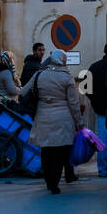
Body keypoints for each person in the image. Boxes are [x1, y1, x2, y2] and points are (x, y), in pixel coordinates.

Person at [22, 49, 85, 193]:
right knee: (61, 151)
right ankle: (55, 184)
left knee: (46, 150)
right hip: (63, 119)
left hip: (43, 116)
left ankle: (48, 180)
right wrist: (80, 123)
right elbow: (74, 104)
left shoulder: (39, 74)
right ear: (63, 60)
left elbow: (23, 91)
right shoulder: (67, 77)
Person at [86, 41, 107, 176]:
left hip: (100, 109)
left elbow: (85, 88)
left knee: (103, 139)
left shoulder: (94, 67)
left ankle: (103, 169)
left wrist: (95, 100)